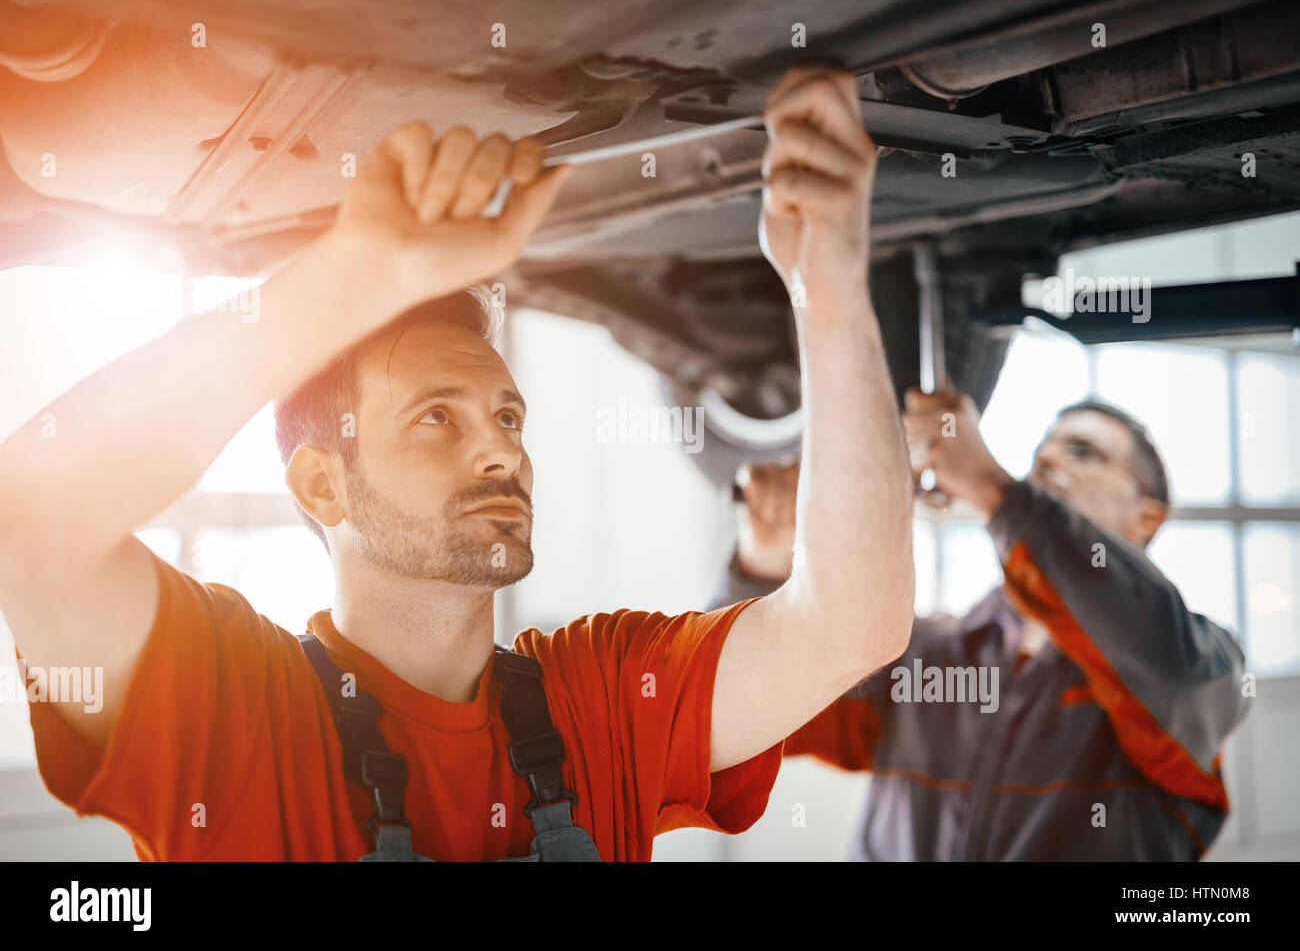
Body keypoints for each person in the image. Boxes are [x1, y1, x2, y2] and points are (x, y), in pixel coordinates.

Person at [0, 67, 915, 861]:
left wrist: (830, 291)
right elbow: (33, 517)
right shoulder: (234, 714)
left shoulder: (604, 693)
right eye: (435, 418)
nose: (501, 448)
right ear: (322, 484)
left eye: (508, 415)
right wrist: (357, 271)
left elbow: (851, 624)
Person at [709, 391, 1250, 860]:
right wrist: (765, 557)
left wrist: (996, 489)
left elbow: (1172, 672)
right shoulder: (923, 654)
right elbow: (737, 712)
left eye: (1083, 451)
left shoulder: (1202, 664)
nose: (1045, 461)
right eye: (1041, 449)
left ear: (1146, 518)